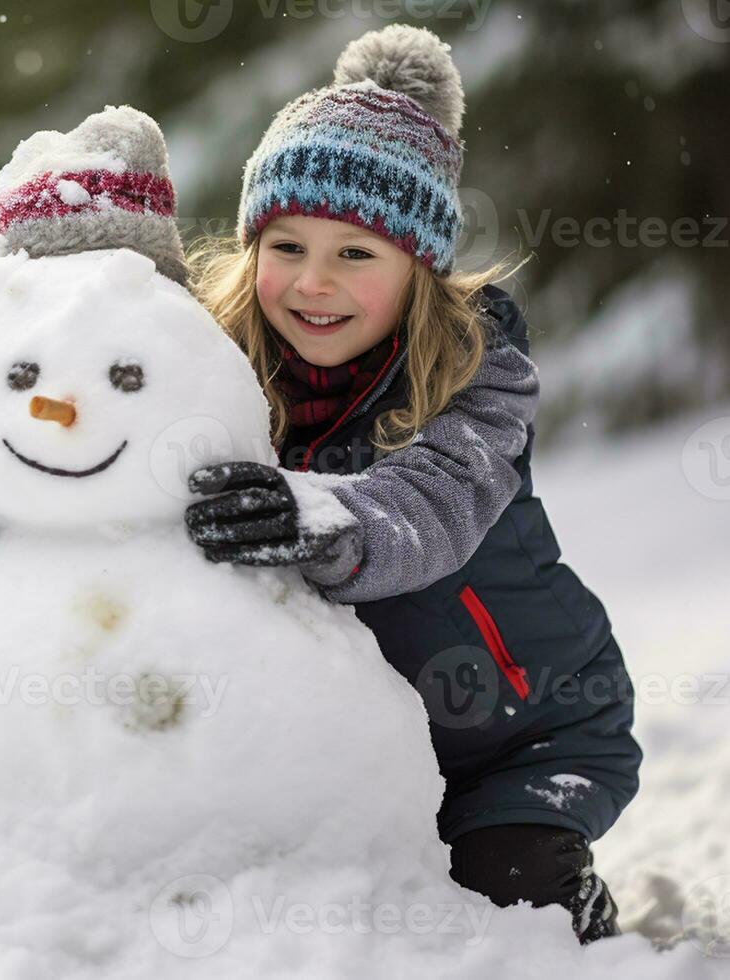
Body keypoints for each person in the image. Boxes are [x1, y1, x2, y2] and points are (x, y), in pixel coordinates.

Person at [184, 25, 639, 943]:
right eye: (286, 245)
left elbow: (427, 511)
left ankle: (569, 906)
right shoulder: (207, 363)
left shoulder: (480, 375)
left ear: (417, 268)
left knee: (501, 897)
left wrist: (314, 523)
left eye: (357, 253)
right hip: (352, 752)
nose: (314, 283)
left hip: (521, 733)